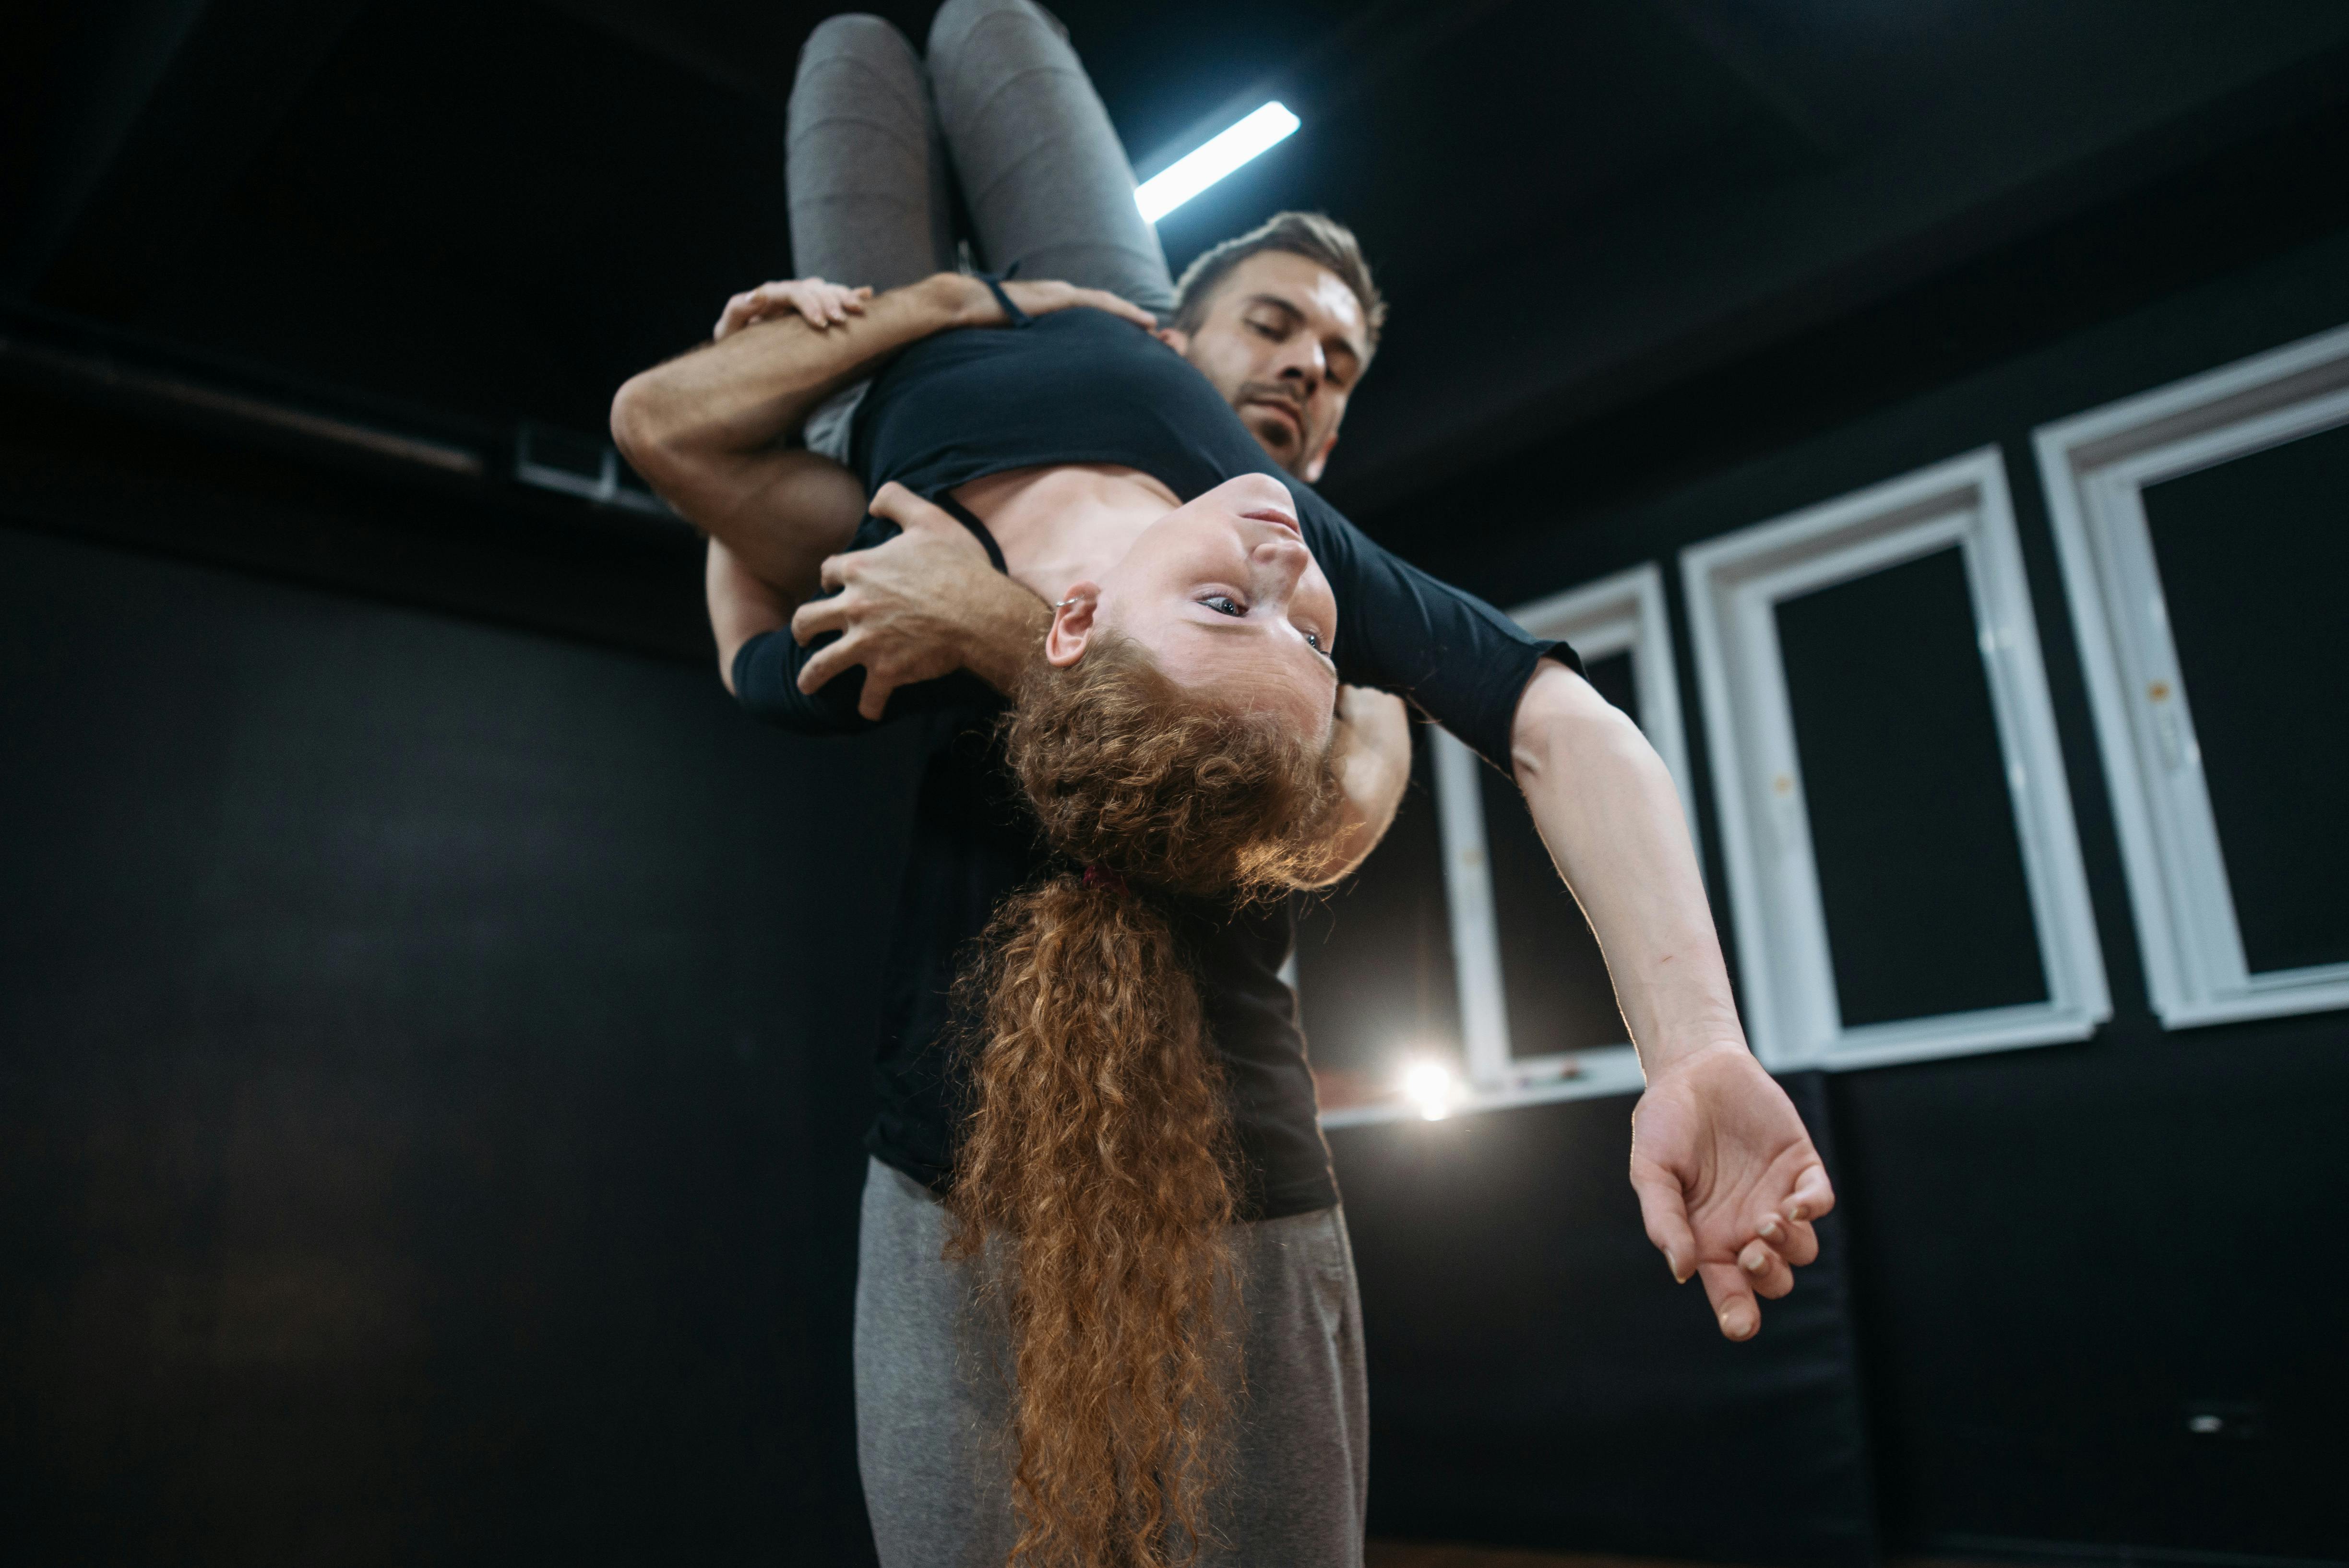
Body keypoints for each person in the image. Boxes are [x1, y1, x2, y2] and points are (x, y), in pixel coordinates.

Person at [609, 4, 1838, 1565]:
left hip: (889, 381)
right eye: (1278, 333)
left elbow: (718, 568)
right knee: (989, 21)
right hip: (1103, 302)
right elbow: (1562, 724)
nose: (1285, 579)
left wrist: (822, 370)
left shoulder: (937, 585)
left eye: (1339, 368)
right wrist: (1698, 1046)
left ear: (1080, 626)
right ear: (1206, 342)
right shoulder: (1290, 545)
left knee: (854, 42)